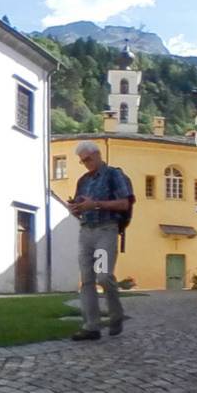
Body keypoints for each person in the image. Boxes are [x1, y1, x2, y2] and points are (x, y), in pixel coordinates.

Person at [65, 140, 133, 341]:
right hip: (86, 232)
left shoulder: (114, 175)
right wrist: (76, 209)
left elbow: (123, 204)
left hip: (105, 231)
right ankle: (91, 327)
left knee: (103, 276)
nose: (86, 163)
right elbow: (81, 206)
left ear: (98, 155)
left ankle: (116, 315)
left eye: (88, 159)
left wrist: (95, 204)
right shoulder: (83, 181)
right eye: (83, 161)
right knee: (86, 280)